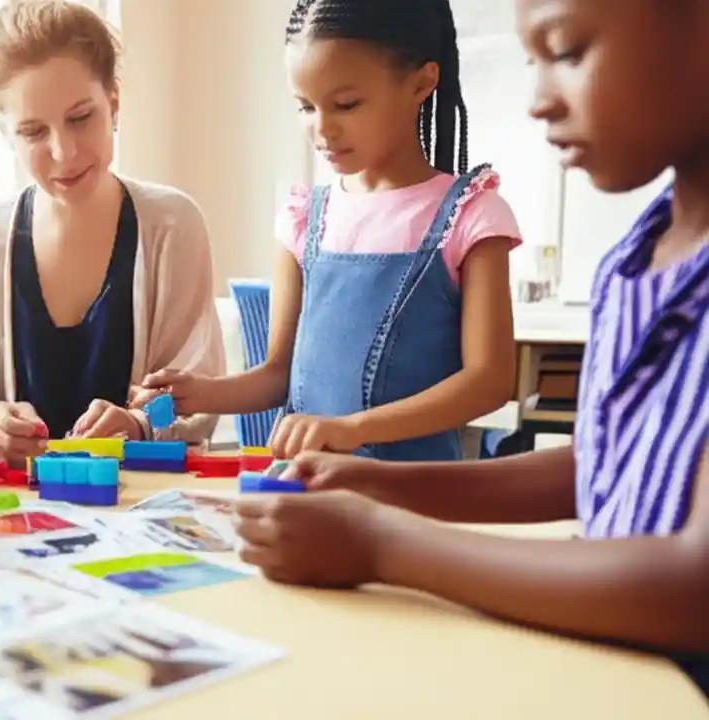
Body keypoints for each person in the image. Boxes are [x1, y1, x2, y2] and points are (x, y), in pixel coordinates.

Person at [235, 0, 709, 695]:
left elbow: (694, 590)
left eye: (568, 52)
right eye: (532, 62)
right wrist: (376, 485)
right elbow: (602, 467)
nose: (539, 101)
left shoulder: (472, 214)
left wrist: (383, 542)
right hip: (615, 677)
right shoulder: (637, 256)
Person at [136, 0, 519, 462]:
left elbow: (489, 381)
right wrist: (198, 393)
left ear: (421, 83)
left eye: (346, 104)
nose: (322, 129)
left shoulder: (471, 215)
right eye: (305, 107)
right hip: (304, 488)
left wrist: (353, 428)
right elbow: (280, 375)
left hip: (413, 493)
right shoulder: (304, 217)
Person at [0, 0, 224, 465]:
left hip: (144, 500)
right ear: (6, 134)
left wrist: (138, 423)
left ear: (113, 104)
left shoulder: (173, 225)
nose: (64, 152)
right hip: (8, 503)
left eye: (80, 118)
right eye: (34, 132)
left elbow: (199, 401)